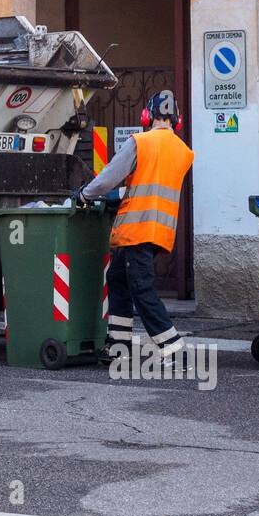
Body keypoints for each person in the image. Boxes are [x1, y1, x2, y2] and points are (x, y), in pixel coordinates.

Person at [79, 90, 194, 364]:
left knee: (141, 288)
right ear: (176, 120)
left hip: (136, 229)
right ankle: (119, 345)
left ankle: (174, 349)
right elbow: (153, 185)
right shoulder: (184, 151)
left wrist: (84, 195)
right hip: (161, 231)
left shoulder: (139, 142)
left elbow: (108, 179)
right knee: (118, 279)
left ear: (148, 115)